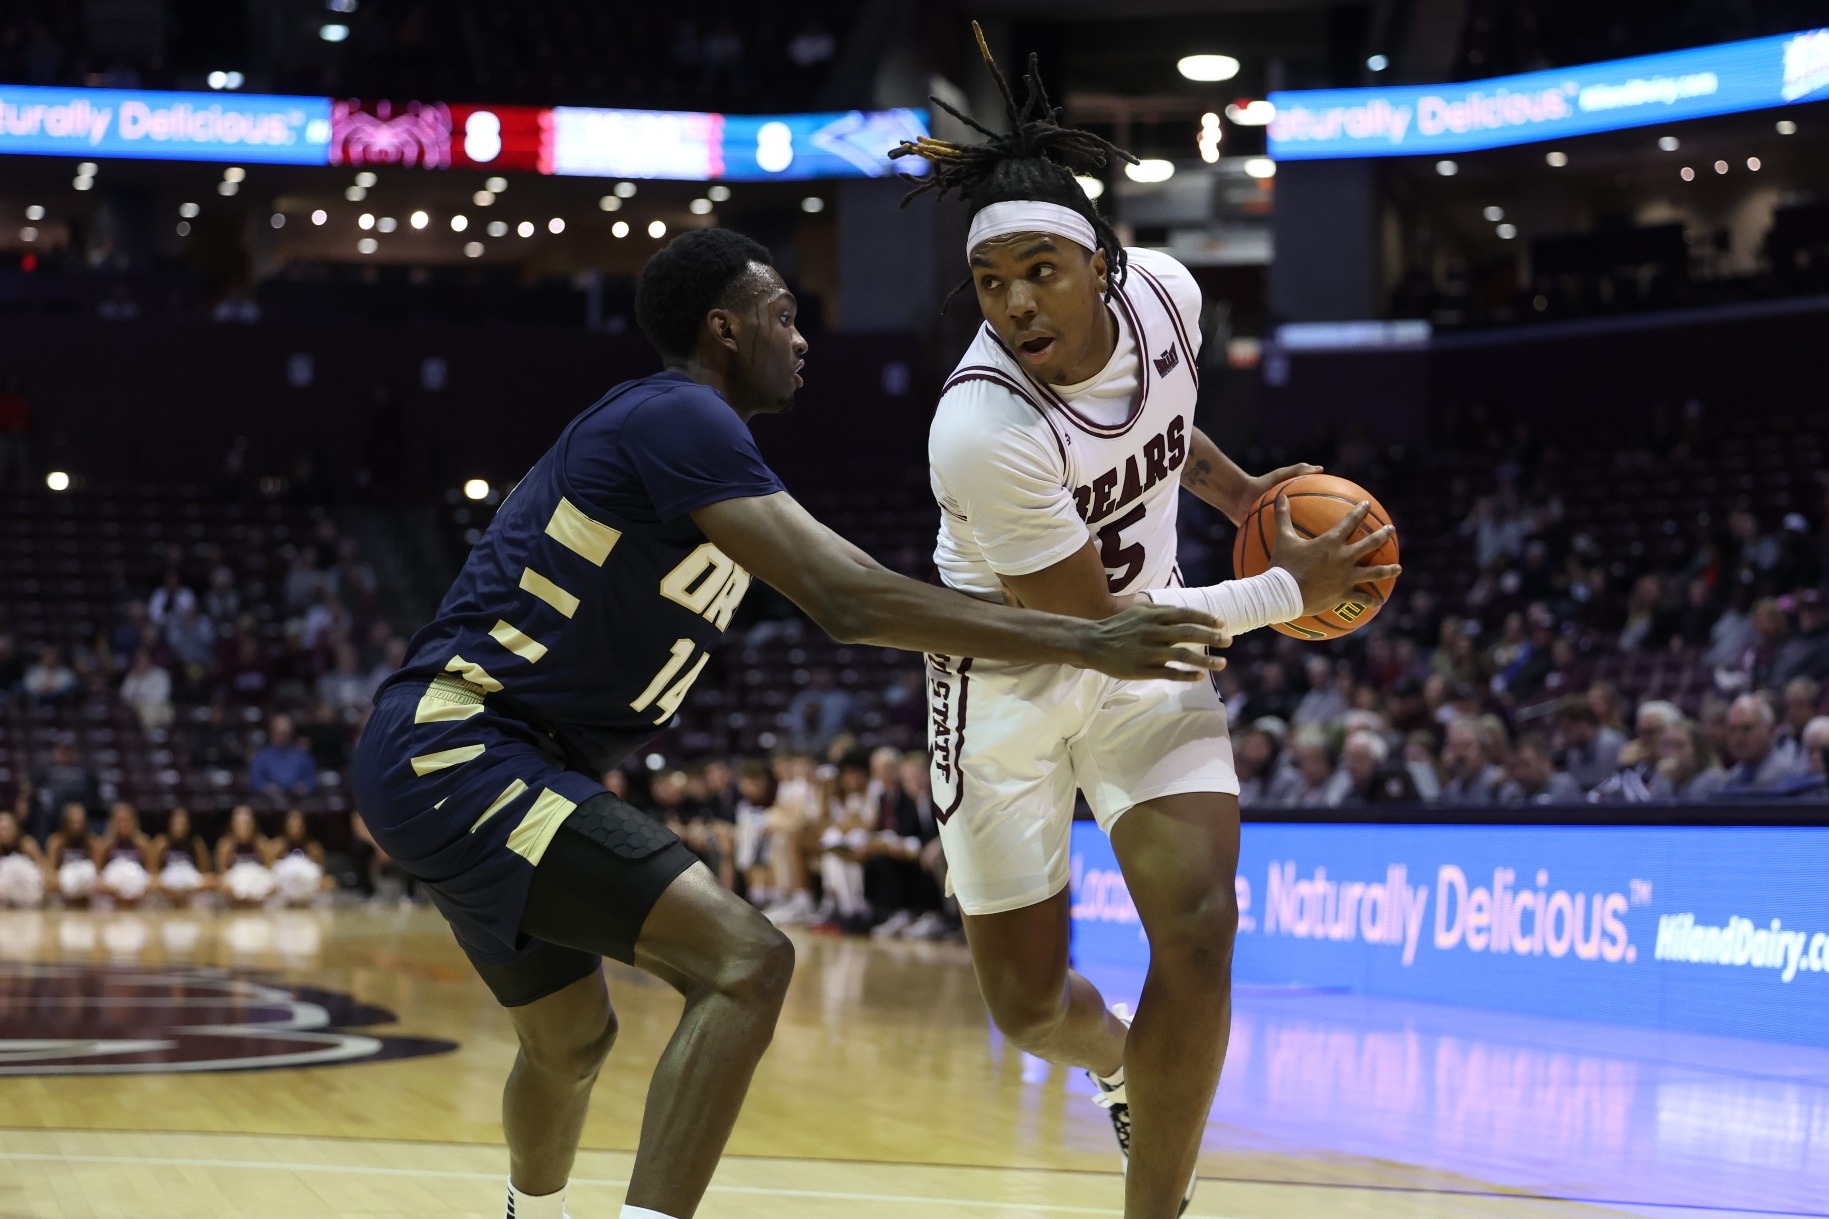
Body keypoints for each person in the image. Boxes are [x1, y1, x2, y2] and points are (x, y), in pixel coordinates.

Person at [348, 225, 1231, 1219]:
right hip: (461, 746)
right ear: (722, 332)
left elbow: (854, 583)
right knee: (746, 961)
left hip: (472, 757)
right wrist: (1082, 639)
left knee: (571, 1042)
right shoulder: (679, 415)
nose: (802, 339)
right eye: (781, 316)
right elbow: (847, 600)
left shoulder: (699, 446)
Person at [890, 29, 1397, 1217]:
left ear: (1104, 263)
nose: (1014, 303)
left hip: (1149, 671)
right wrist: (1289, 589)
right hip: (1015, 678)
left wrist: (1247, 498)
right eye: (989, 283)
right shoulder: (981, 426)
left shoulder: (1169, 296)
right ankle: (1120, 1063)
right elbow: (1095, 628)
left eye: (1038, 272)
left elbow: (1167, 428)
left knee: (1202, 924)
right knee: (1025, 1009)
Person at [1719, 693, 1807, 794]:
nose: (1738, 737)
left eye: (1747, 728)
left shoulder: (1791, 777)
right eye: (1732, 729)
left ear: (1771, 730)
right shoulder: (1729, 781)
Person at [94, 802, 155, 905]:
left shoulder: (143, 843)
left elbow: (153, 876)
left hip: (137, 896)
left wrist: (135, 889)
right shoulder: (104, 844)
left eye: (126, 820)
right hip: (111, 897)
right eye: (119, 820)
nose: (123, 824)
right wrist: (115, 890)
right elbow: (97, 876)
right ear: (113, 822)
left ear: (133, 821)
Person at [247, 714, 319, 801]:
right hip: (268, 802)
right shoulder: (262, 756)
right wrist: (265, 787)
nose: (283, 737)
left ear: (291, 733)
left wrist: (305, 787)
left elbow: (311, 777)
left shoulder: (302, 755)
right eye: (279, 733)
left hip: (298, 801)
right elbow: (255, 777)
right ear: (272, 733)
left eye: (285, 733)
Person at [271, 808, 335, 905]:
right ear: (285, 826)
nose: (295, 830)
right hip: (284, 892)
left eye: (299, 826)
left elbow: (321, 873)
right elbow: (269, 871)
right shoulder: (277, 846)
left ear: (305, 827)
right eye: (292, 826)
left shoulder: (314, 848)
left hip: (308, 892)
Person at [216, 804, 276, 905]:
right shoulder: (225, 845)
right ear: (233, 824)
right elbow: (223, 873)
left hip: (257, 886)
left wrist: (261, 891)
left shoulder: (262, 843)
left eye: (247, 823)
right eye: (240, 823)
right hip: (236, 887)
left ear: (253, 824)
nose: (244, 826)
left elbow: (269, 870)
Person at [153, 806, 212, 900]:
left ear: (188, 825)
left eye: (183, 824)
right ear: (170, 824)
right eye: (177, 823)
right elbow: (153, 871)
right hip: (168, 884)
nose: (180, 827)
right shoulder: (161, 843)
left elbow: (205, 873)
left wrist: (192, 888)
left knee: (211, 882)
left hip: (190, 884)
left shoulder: (196, 843)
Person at [45, 803, 98, 905]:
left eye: (79, 822)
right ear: (65, 823)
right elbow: (50, 872)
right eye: (72, 822)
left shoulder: (93, 842)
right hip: (62, 891)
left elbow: (97, 872)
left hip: (87, 893)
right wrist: (69, 884)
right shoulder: (55, 842)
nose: (76, 826)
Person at [0, 809, 47, 907]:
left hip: (29, 900)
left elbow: (47, 875)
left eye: (7, 829)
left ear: (16, 828)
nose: (3, 833)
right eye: (1, 829)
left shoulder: (27, 845)